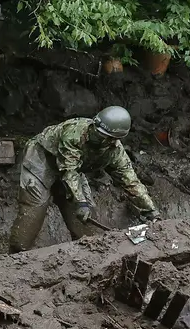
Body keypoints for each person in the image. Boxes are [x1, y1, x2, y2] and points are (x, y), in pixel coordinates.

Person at [8, 106, 160, 252]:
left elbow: (130, 181)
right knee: (33, 213)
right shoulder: (74, 133)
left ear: (113, 139)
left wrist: (151, 211)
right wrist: (80, 202)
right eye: (96, 130)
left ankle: (85, 261)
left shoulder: (115, 152)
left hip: (73, 169)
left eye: (102, 135)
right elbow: (68, 171)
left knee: (87, 228)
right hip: (43, 159)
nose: (96, 134)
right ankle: (16, 257)